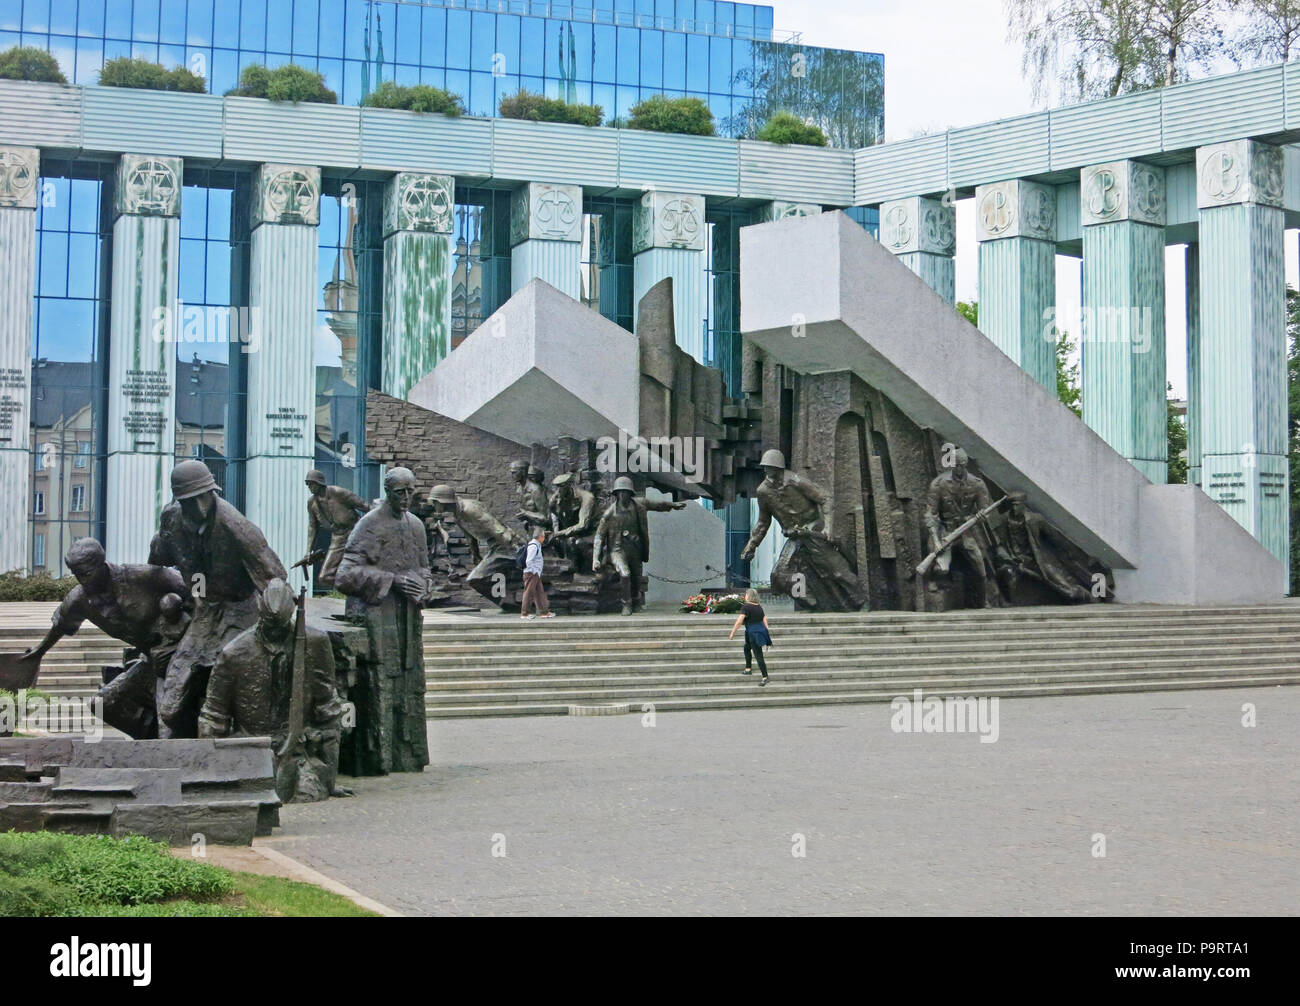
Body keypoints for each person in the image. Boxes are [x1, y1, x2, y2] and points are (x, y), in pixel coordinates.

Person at [149, 460, 287, 738]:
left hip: (242, 609)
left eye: (205, 496)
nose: (199, 507)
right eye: (191, 501)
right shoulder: (172, 519)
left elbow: (275, 580)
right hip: (206, 609)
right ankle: (172, 745)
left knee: (231, 671)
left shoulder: (237, 527)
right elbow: (160, 559)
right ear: (180, 501)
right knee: (173, 696)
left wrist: (280, 621)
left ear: (213, 493)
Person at [20, 537, 189, 738]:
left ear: (101, 564)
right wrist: (40, 650)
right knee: (103, 703)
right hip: (152, 661)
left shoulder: (142, 575)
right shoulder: (79, 599)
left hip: (185, 651)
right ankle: (152, 742)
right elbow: (61, 625)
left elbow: (195, 588)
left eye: (86, 573)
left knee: (168, 718)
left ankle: (170, 741)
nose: (82, 580)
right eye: (76, 575)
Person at [198, 578, 348, 802]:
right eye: (270, 626)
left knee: (307, 794)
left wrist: (329, 776)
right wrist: (208, 774)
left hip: (299, 751)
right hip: (250, 750)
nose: (275, 634)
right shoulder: (234, 653)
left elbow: (329, 709)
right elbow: (213, 717)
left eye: (280, 626)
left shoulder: (316, 642)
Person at [335, 467, 433, 774]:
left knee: (409, 684)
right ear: (387, 491)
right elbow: (344, 575)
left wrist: (423, 587)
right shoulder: (369, 524)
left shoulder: (416, 524)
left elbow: (426, 568)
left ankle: (408, 755)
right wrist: (392, 580)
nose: (406, 498)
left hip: (407, 619)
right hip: (379, 618)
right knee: (381, 684)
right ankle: (379, 759)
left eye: (410, 491)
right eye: (399, 492)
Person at [739, 449, 867, 611]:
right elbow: (763, 522)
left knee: (838, 571)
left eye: (770, 467)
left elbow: (825, 498)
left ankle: (862, 602)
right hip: (795, 538)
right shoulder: (763, 492)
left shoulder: (794, 481)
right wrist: (752, 545)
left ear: (778, 468)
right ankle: (814, 604)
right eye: (765, 467)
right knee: (780, 575)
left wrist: (827, 527)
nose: (766, 471)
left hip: (813, 531)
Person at [592, 476, 687, 615]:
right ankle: (626, 604)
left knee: (636, 578)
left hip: (635, 548)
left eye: (626, 492)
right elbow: (599, 536)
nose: (623, 495)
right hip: (617, 550)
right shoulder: (609, 514)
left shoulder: (639, 505)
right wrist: (596, 558)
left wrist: (673, 505)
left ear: (631, 493)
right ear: (616, 494)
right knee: (625, 574)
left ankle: (636, 601)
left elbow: (657, 505)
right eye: (620, 492)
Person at [922, 445, 1001, 608]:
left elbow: (985, 511)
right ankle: (936, 585)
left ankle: (983, 601)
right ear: (952, 465)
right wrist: (936, 540)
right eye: (957, 465)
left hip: (966, 531)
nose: (959, 468)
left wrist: (980, 516)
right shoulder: (938, 484)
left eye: (962, 465)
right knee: (941, 569)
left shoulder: (977, 484)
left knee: (980, 568)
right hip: (946, 530)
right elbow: (930, 514)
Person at [301, 469, 369, 588]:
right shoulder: (312, 503)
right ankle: (355, 590)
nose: (309, 486)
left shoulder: (338, 492)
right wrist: (308, 551)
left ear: (319, 483)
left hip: (356, 532)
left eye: (311, 483)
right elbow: (312, 527)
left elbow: (365, 506)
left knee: (366, 566)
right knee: (324, 576)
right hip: (338, 537)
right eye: (308, 484)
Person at [728, 588, 773, 686]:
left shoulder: (746, 607)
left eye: (746, 594)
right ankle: (748, 669)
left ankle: (765, 677)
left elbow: (739, 621)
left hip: (753, 634)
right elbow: (764, 619)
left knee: (758, 656)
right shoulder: (759, 607)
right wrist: (766, 630)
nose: (745, 596)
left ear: (749, 596)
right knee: (746, 648)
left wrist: (732, 633)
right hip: (753, 632)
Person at [520, 529, 555, 619]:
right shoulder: (533, 546)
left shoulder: (537, 545)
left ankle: (544, 612)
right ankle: (525, 613)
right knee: (529, 592)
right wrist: (533, 571)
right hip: (531, 573)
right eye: (543, 536)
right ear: (540, 537)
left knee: (539, 592)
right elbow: (529, 560)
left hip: (535, 573)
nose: (544, 538)